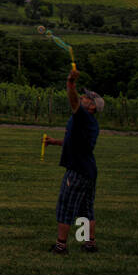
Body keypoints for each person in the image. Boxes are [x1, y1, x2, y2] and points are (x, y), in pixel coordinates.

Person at [44, 69, 104, 255]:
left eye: (87, 98)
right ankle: (89, 244)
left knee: (66, 206)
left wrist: (70, 83)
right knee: (86, 209)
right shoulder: (89, 122)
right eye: (84, 96)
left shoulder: (83, 116)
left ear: (92, 106)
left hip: (77, 171)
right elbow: (75, 142)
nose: (83, 98)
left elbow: (73, 101)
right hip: (88, 171)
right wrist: (55, 142)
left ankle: (61, 246)